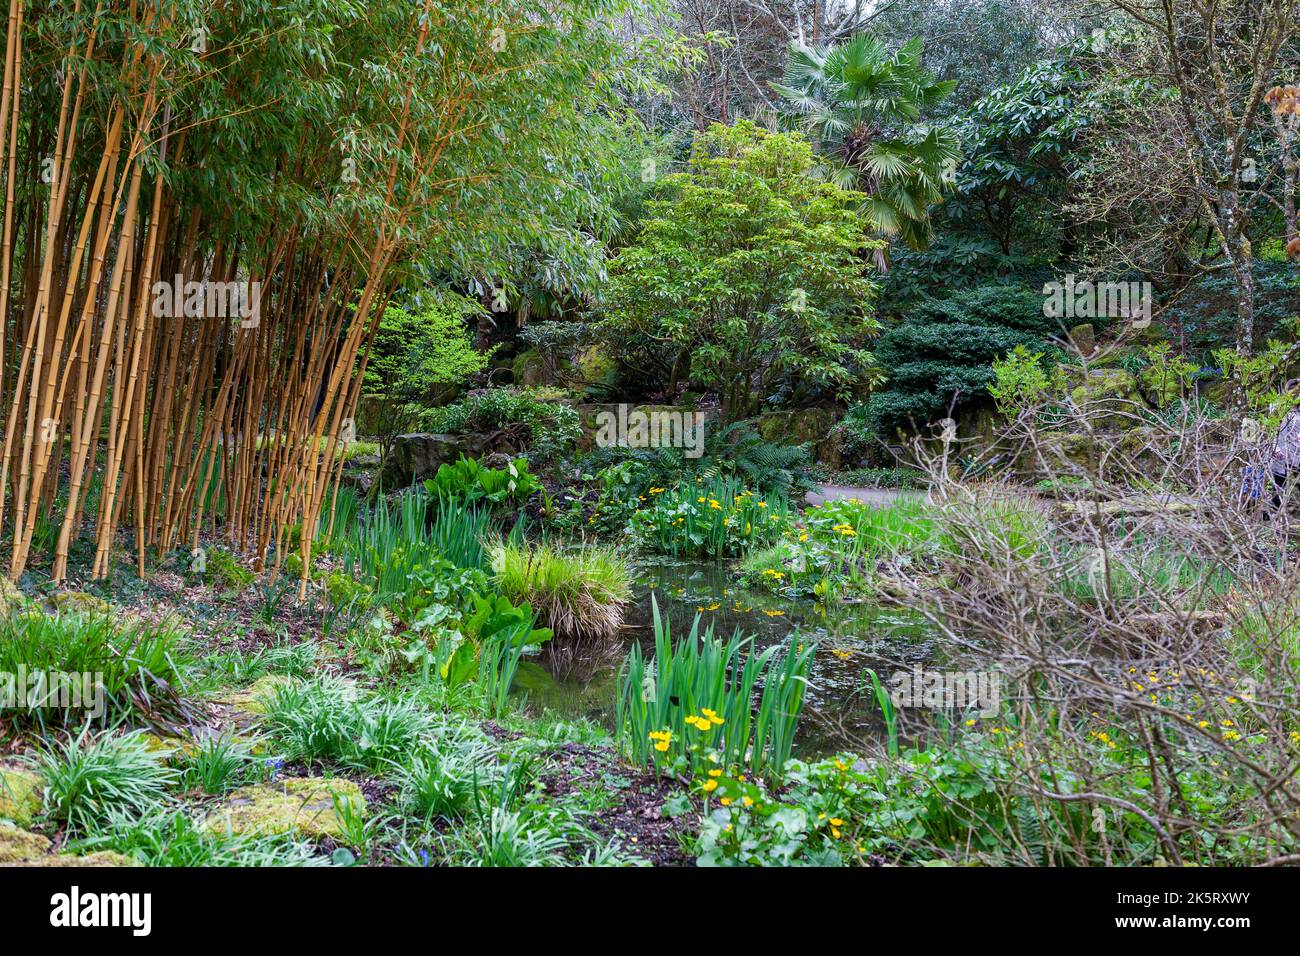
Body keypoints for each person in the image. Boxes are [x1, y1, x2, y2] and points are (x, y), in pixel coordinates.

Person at [1266, 379, 1300, 517]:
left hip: (1297, 454)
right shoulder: (1278, 407)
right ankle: (1272, 515)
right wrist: (1274, 448)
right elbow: (1271, 429)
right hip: (1280, 452)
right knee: (1278, 485)